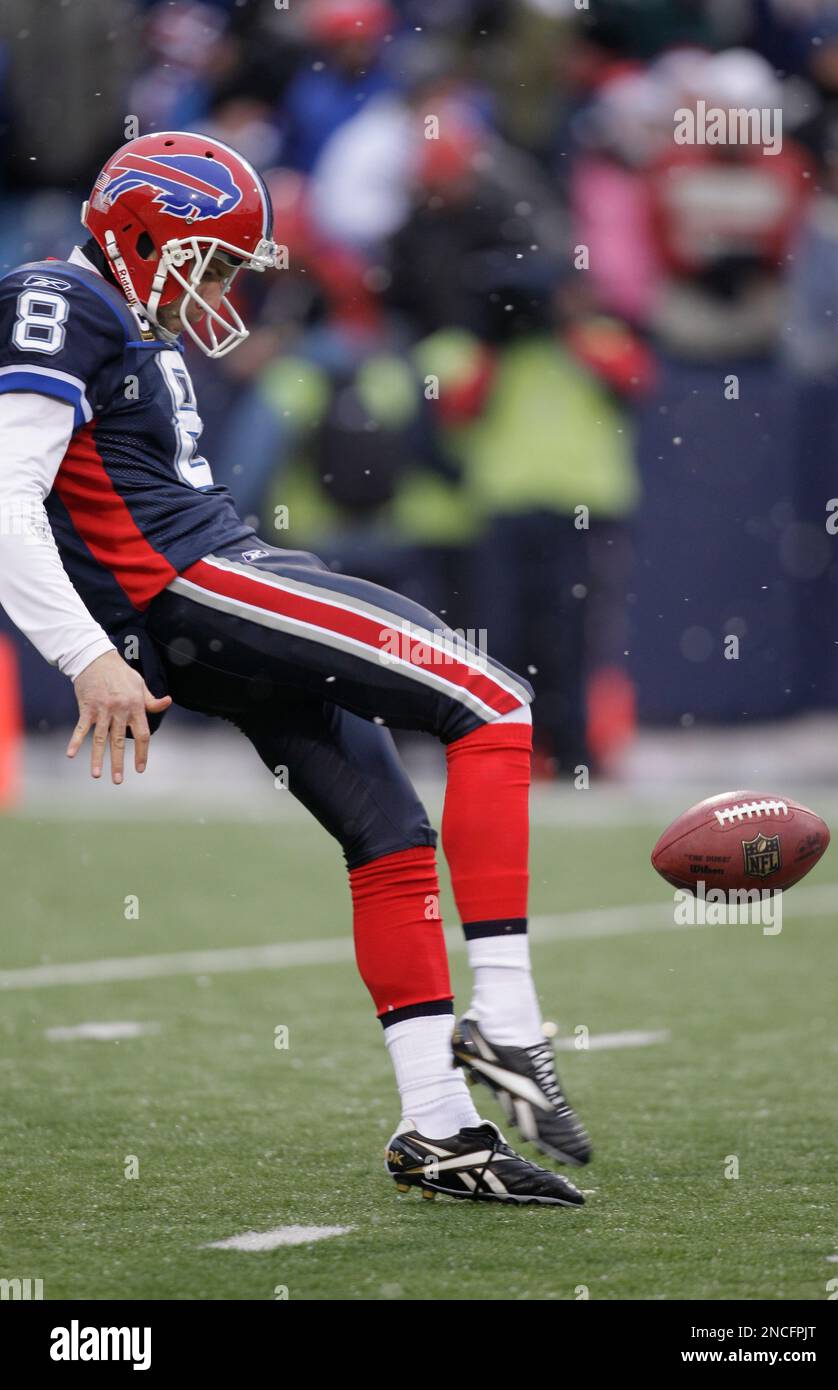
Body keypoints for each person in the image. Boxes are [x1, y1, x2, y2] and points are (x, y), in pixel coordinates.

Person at [0, 131, 588, 1206]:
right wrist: (84, 654)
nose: (220, 286)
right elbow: (4, 495)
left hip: (207, 580)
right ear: (139, 234)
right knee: (493, 701)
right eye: (208, 260)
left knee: (391, 834)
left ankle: (437, 1127)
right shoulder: (56, 297)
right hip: (196, 579)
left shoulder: (120, 313)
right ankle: (503, 1017)